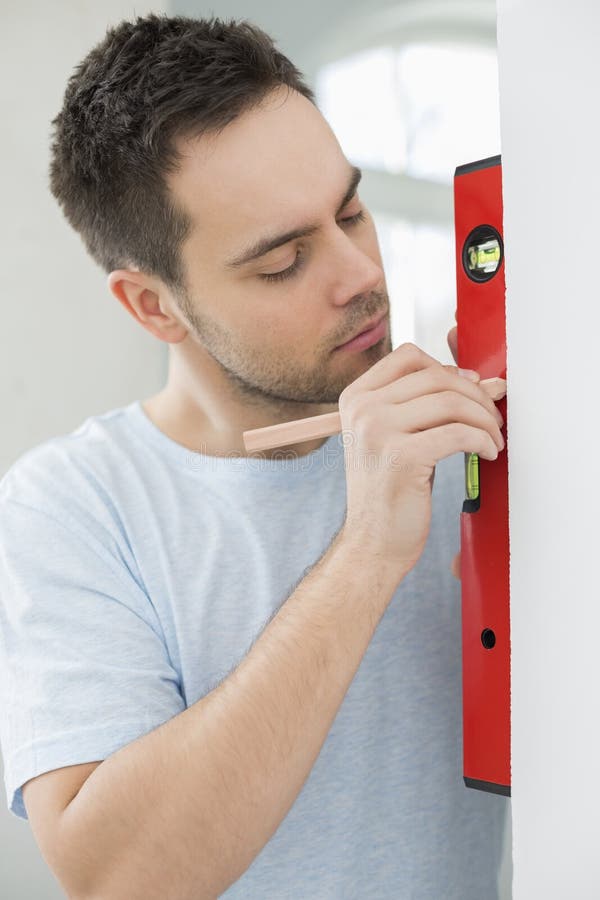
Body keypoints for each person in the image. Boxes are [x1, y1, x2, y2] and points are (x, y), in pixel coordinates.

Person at [0, 14, 507, 899]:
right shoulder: (70, 506)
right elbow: (117, 879)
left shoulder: (461, 430)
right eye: (284, 261)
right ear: (153, 306)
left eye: (351, 212)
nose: (360, 274)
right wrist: (367, 553)